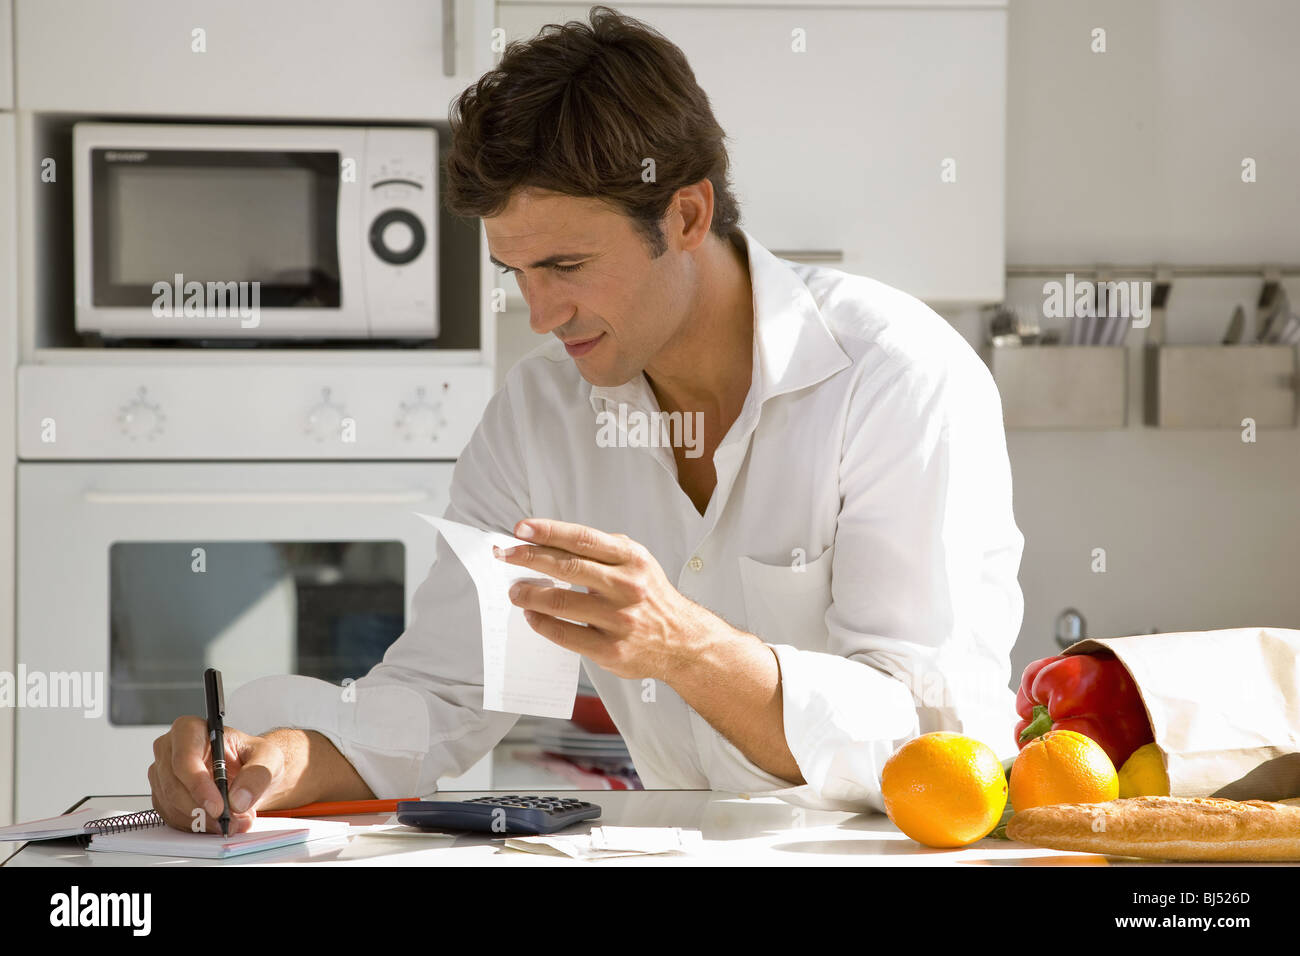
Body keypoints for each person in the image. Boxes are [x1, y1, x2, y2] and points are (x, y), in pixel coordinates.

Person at [148, 5, 1025, 833]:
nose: (540, 314)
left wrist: (686, 648)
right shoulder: (538, 415)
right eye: (515, 273)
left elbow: (927, 735)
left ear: (685, 214)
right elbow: (449, 692)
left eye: (566, 264)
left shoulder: (896, 378)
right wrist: (276, 760)